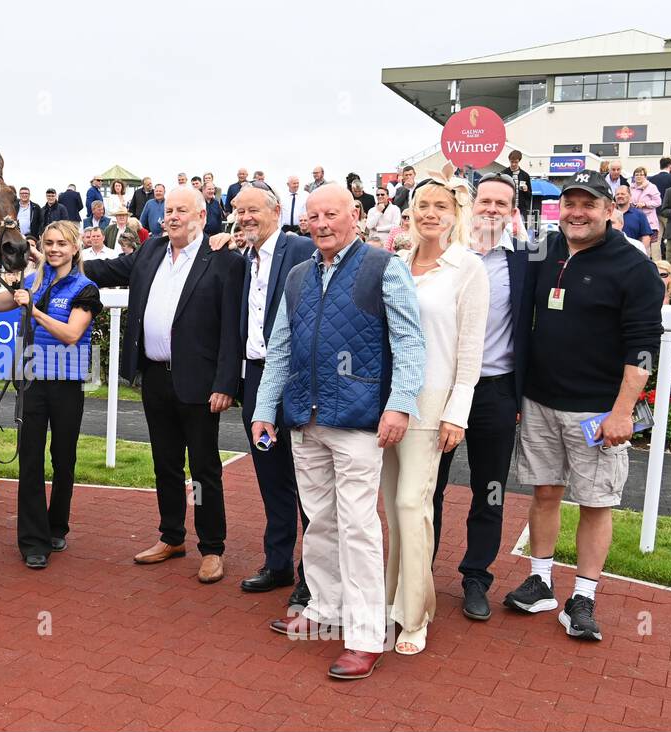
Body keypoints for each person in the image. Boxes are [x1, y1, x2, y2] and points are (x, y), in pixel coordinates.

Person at [251, 184, 425, 680]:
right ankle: (325, 610)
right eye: (313, 215)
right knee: (321, 520)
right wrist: (266, 408)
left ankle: (367, 635)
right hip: (305, 421)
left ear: (356, 216)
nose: (322, 223)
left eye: (332, 213)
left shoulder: (383, 267)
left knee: (358, 526)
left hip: (358, 421)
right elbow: (279, 348)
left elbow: (411, 342)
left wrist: (399, 405)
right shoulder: (299, 275)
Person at [504, 170, 663, 642]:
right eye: (570, 202)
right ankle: (542, 581)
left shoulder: (633, 266)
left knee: (595, 503)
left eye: (588, 204)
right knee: (545, 492)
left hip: (597, 411)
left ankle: (585, 596)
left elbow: (642, 347)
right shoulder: (544, 250)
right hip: (538, 401)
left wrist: (622, 412)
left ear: (610, 209)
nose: (577, 212)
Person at [84, 187, 245, 584]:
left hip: (200, 383)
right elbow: (107, 270)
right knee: (165, 463)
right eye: (168, 210)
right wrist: (61, 259)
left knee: (204, 470)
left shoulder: (223, 260)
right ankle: (171, 536)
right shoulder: (151, 251)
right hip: (154, 378)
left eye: (181, 210)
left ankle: (212, 548)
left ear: (201, 215)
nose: (171, 216)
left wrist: (226, 382)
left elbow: (231, 330)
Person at [383, 173, 487, 655]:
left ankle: (416, 614)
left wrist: (456, 414)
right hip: (386, 404)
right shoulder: (394, 264)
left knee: (412, 506)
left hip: (432, 405)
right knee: (392, 508)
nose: (429, 213)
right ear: (409, 211)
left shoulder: (468, 268)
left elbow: (470, 352)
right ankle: (391, 601)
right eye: (422, 204)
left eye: (440, 206)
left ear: (455, 215)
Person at [432, 173, 535, 621]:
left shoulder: (526, 264)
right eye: (484, 202)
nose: (491, 209)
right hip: (440, 393)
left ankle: (476, 577)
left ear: (513, 213)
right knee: (426, 488)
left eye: (501, 204)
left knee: (489, 490)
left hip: (495, 392)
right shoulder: (443, 259)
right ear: (470, 208)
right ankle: (418, 573)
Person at [0, 221, 101, 568]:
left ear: (75, 248)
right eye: (48, 243)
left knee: (63, 459)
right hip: (31, 381)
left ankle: (57, 525)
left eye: (62, 243)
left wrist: (32, 309)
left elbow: (72, 334)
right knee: (30, 459)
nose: (54, 249)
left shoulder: (85, 288)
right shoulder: (31, 281)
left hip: (66, 384)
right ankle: (32, 541)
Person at [216, 185, 314, 603]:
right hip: (257, 380)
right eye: (239, 211)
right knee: (270, 476)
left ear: (276, 210)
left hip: (297, 379)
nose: (245, 218)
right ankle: (277, 564)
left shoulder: (301, 249)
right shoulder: (243, 261)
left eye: (252, 210)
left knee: (308, 480)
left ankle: (313, 575)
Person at [629, 167, 662, 258]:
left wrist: (644, 204)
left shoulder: (651, 187)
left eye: (641, 174)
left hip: (649, 221)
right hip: (635, 219)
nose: (639, 177)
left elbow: (658, 202)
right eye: (637, 175)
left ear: (645, 176)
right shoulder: (631, 187)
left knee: (648, 247)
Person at [614, 186, 653, 254]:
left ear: (630, 196)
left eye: (623, 194)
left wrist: (640, 253)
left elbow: (646, 237)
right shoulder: (609, 214)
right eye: (617, 194)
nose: (619, 196)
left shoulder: (639, 215)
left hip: (632, 254)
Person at [505, 150, 533, 224]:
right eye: (512, 162)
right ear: (509, 161)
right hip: (507, 208)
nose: (513, 164)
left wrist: (526, 190)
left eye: (516, 162)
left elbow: (530, 195)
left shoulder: (525, 175)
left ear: (519, 161)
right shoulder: (504, 174)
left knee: (520, 231)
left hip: (520, 210)